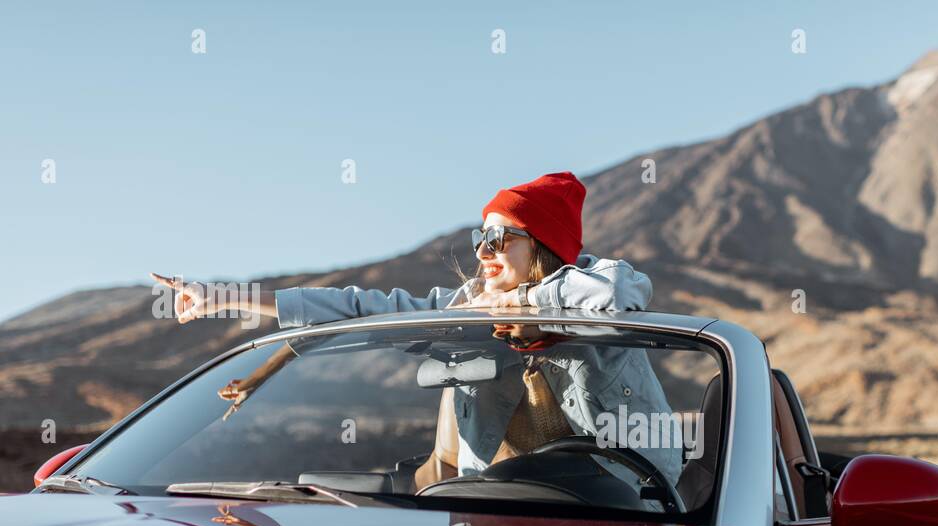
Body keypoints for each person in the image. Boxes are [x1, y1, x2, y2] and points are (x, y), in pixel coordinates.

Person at [152, 171, 682, 498]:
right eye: (480, 238)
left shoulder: (590, 291)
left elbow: (622, 290)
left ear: (541, 246)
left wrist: (521, 303)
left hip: (637, 507)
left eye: (498, 237)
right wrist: (224, 298)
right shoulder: (466, 310)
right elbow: (358, 310)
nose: (483, 252)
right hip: (501, 513)